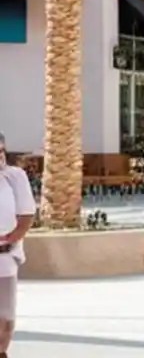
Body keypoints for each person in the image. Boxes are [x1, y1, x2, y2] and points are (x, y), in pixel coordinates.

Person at [0, 134, 35, 358]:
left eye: (1, 151)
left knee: (5, 317)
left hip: (4, 257)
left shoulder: (14, 177)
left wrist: (10, 239)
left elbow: (26, 216)